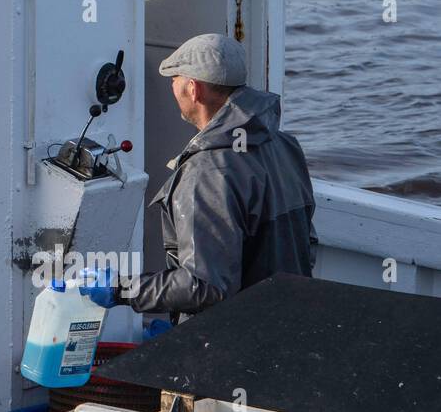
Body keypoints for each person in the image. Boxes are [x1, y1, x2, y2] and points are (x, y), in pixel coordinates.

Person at [85, 33, 317, 322]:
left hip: (234, 344)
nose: (173, 87)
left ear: (193, 89)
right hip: (288, 326)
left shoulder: (206, 172)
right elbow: (307, 244)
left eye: (175, 80)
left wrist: (121, 289)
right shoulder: (285, 146)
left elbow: (205, 286)